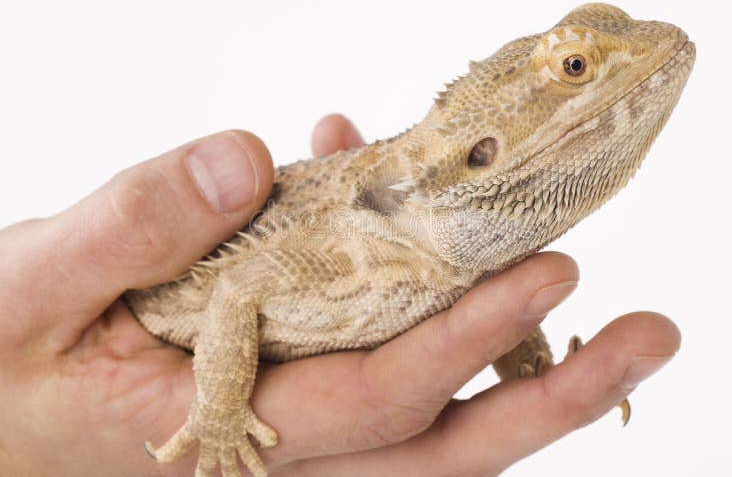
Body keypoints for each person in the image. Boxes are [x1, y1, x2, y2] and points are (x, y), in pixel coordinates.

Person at [0, 114, 680, 476]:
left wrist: (533, 368)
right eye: (575, 71)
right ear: (486, 149)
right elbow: (239, 287)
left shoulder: (458, 250)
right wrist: (219, 414)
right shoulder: (370, 242)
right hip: (126, 326)